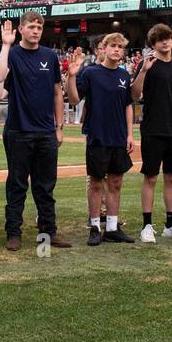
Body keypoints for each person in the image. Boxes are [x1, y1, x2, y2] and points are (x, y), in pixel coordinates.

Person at [0, 12, 70, 252]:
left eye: (39, 27)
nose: (35, 31)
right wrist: (6, 45)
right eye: (31, 27)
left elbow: (58, 92)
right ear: (21, 29)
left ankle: (48, 232)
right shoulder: (12, 54)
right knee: (17, 185)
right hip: (18, 130)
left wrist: (59, 126)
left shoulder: (49, 56)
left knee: (45, 186)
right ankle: (13, 233)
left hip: (46, 131)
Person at [65, 33, 136, 246]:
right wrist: (70, 77)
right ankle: (95, 226)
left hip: (118, 136)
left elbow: (128, 105)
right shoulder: (91, 73)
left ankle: (112, 228)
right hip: (97, 135)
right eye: (112, 46)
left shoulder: (124, 75)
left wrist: (130, 134)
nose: (116, 50)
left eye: (120, 47)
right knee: (96, 183)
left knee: (116, 182)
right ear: (103, 49)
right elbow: (75, 99)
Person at [130, 22, 172, 243]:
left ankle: (170, 223)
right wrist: (144, 71)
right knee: (151, 176)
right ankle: (147, 225)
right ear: (153, 43)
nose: (165, 42)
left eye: (167, 38)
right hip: (153, 128)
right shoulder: (147, 64)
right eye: (159, 39)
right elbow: (134, 95)